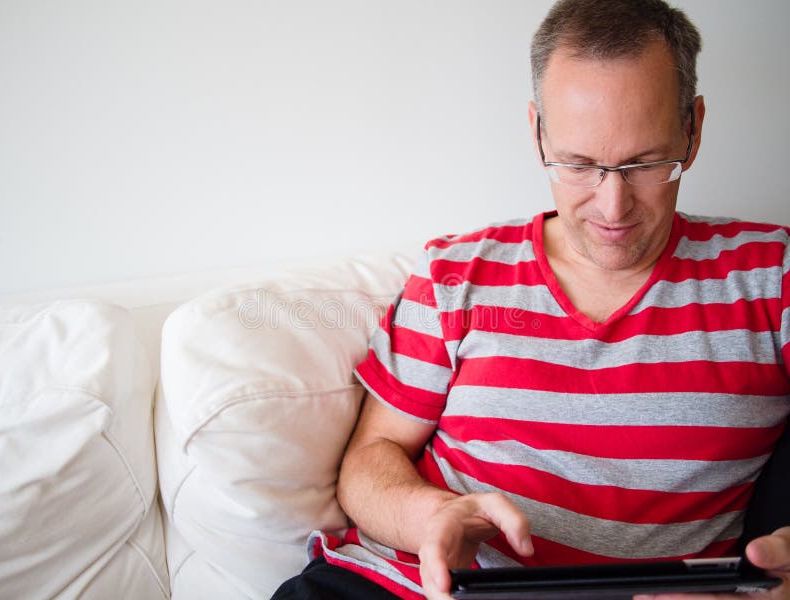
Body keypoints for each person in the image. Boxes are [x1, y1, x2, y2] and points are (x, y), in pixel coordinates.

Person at [273, 1, 790, 598]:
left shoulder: (770, 276)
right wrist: (428, 517)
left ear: (693, 129)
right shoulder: (455, 272)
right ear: (537, 131)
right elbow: (371, 458)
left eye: (646, 163)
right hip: (406, 586)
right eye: (578, 165)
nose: (611, 207)